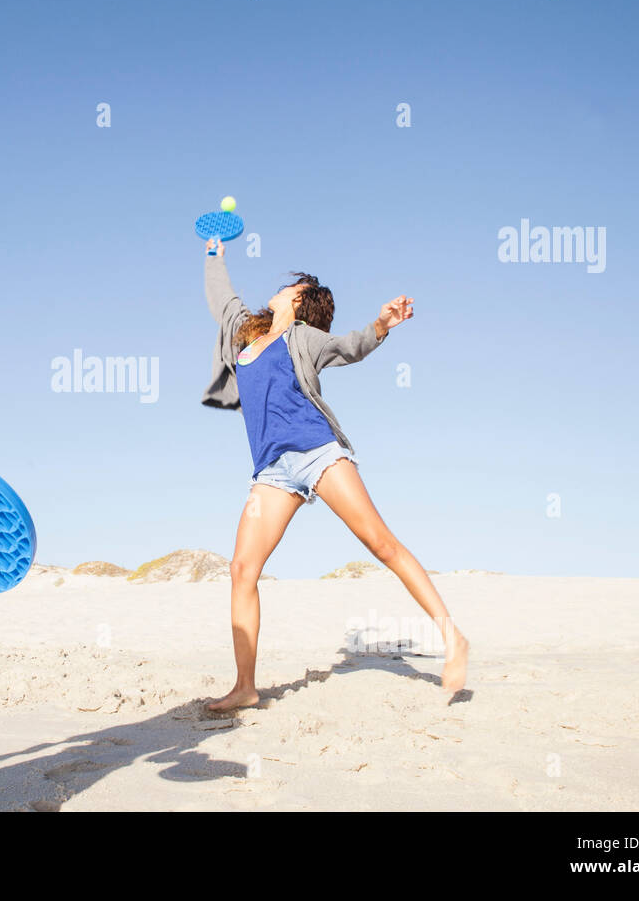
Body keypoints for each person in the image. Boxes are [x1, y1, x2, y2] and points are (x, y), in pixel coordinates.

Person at [200, 236, 468, 711]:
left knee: (380, 542)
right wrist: (214, 253)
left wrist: (383, 323)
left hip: (317, 451)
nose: (279, 291)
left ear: (300, 297)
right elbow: (223, 299)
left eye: (289, 288)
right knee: (242, 569)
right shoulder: (247, 334)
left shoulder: (304, 337)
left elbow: (351, 346)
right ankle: (245, 686)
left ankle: (454, 638)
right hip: (272, 471)